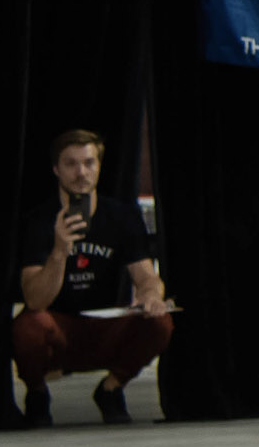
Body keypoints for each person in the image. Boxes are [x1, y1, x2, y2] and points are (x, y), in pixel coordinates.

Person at [14, 129, 173, 426]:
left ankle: (111, 389)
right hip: (59, 327)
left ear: (99, 167)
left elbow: (146, 275)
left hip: (105, 324)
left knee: (160, 322)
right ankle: (37, 392)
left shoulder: (122, 216)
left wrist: (151, 296)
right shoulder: (40, 220)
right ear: (56, 169)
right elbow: (35, 300)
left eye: (89, 163)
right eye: (71, 164)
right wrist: (59, 250)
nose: (81, 173)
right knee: (28, 328)